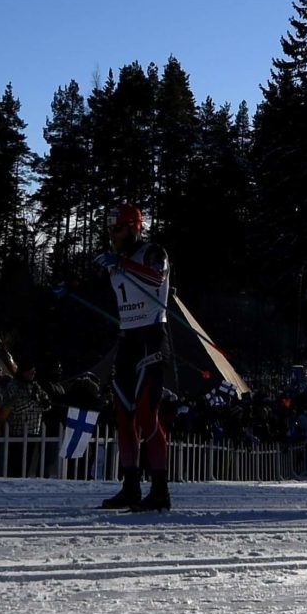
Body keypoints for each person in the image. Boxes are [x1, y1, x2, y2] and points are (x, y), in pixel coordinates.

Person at [97, 202, 173, 513]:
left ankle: (160, 490)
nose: (112, 233)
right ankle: (130, 485)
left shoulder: (153, 251)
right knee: (123, 415)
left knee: (145, 414)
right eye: (110, 227)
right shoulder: (118, 260)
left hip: (151, 336)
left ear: (134, 226)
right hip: (127, 338)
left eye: (118, 227)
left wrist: (123, 264)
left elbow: (156, 279)